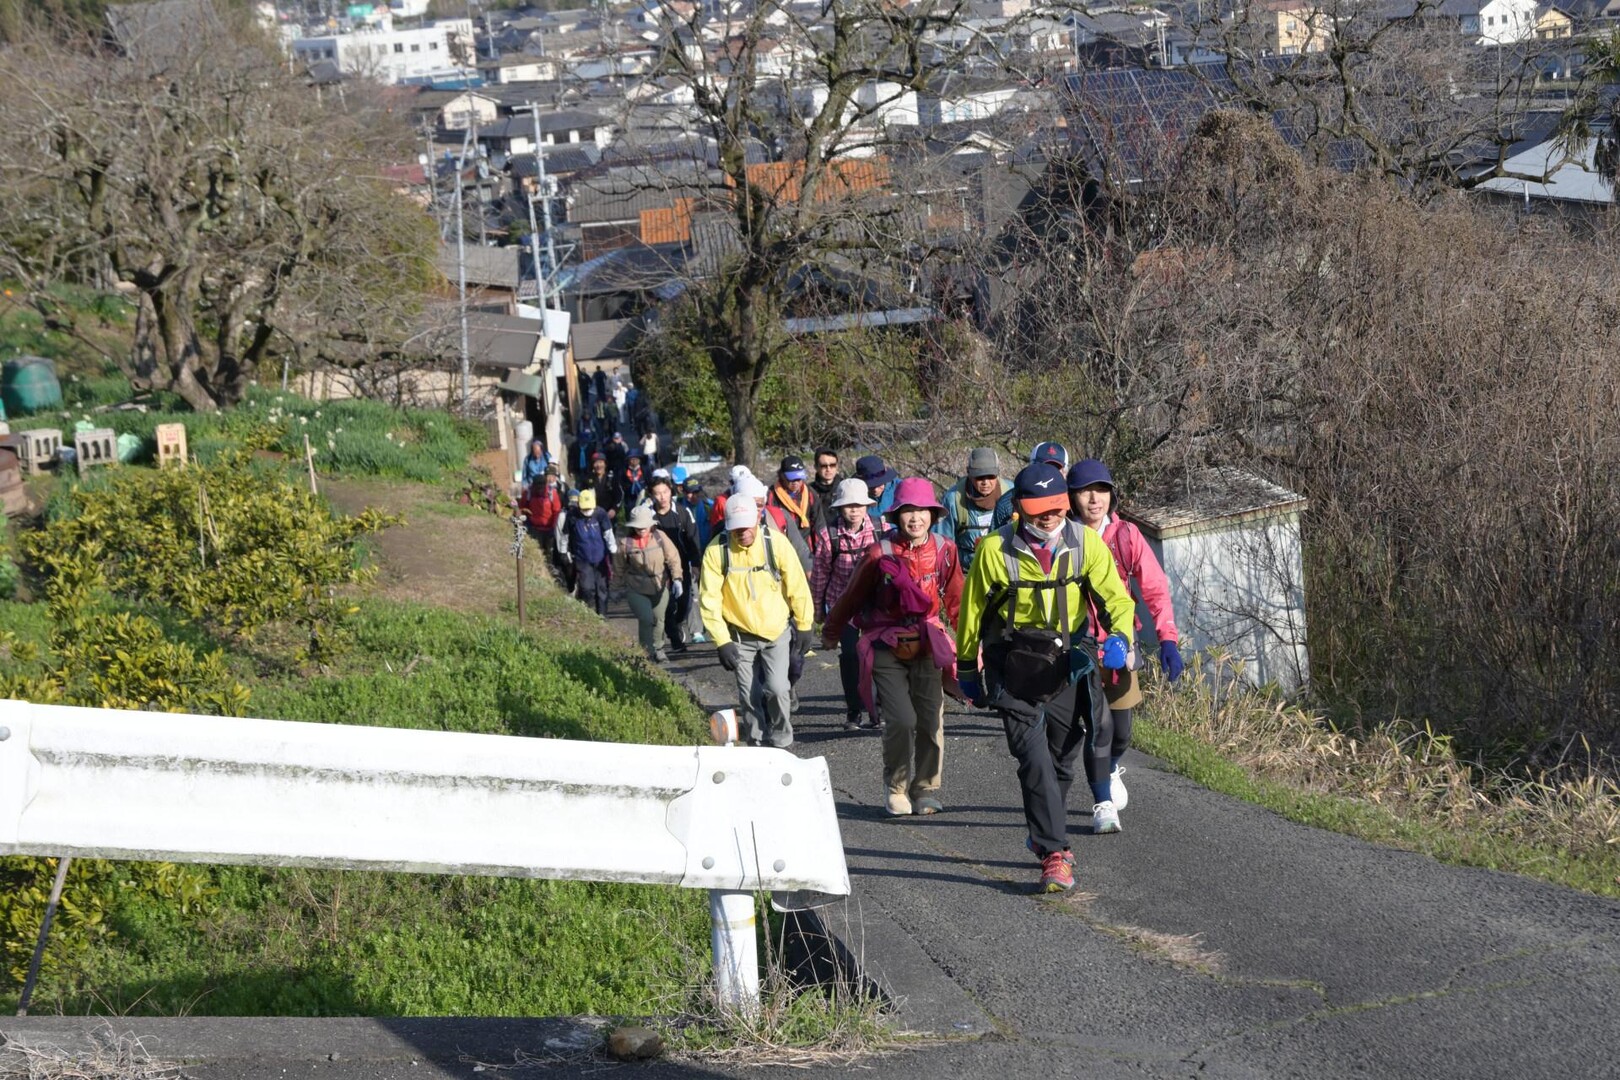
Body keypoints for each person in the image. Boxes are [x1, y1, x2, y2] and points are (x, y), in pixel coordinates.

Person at [954, 462, 1137, 893]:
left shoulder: (1086, 543)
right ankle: (1054, 855)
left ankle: (1042, 831)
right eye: (1038, 509)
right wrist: (966, 668)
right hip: (1012, 663)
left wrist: (1120, 637)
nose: (1048, 516)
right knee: (1032, 759)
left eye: (1055, 507)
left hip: (1067, 661)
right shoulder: (992, 551)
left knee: (1059, 760)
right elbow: (972, 612)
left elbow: (1117, 599)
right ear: (1018, 507)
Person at [823, 478, 963, 817]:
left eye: (921, 511)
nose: (915, 519)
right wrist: (831, 630)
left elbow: (958, 601)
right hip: (886, 643)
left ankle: (926, 787)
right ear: (896, 515)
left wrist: (973, 645)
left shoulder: (945, 549)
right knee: (901, 719)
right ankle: (897, 787)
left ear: (932, 513)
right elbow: (851, 596)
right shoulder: (878, 553)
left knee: (931, 720)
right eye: (907, 512)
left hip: (929, 642)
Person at [1067, 458, 1183, 825]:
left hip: (1118, 644)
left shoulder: (1126, 536)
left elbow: (1154, 588)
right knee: (1093, 727)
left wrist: (1167, 640)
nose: (1094, 499)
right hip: (1075, 645)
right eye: (1085, 491)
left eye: (1101, 491)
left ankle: (1112, 766)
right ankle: (1101, 802)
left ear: (1111, 496)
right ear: (1072, 497)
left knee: (1121, 732)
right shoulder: (1063, 537)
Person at [698, 496, 814, 749]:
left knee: (777, 689)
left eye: (747, 525)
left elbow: (797, 585)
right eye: (736, 527)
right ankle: (757, 742)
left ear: (758, 519)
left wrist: (805, 624)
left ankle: (782, 739)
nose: (742, 532)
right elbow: (709, 600)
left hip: (776, 632)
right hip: (739, 636)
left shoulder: (776, 544)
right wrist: (722, 640)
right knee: (749, 695)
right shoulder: (717, 551)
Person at [811, 478, 879, 730]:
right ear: (839, 507)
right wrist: (818, 610)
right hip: (843, 605)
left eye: (859, 505)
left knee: (878, 656)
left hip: (875, 604)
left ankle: (877, 708)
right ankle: (854, 710)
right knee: (850, 655)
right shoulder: (829, 536)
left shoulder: (880, 529)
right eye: (848, 505)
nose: (854, 510)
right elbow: (820, 574)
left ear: (867, 507)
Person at [621, 503, 685, 663]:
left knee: (659, 619)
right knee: (646, 617)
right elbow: (618, 568)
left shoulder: (660, 537)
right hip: (636, 587)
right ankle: (647, 652)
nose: (641, 529)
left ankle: (658, 649)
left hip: (659, 585)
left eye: (644, 525)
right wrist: (615, 589)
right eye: (638, 526)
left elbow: (673, 557)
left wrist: (677, 578)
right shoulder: (625, 543)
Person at [647, 475, 701, 653]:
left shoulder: (683, 512)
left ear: (671, 491)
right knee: (666, 604)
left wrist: (696, 563)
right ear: (652, 495)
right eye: (657, 493)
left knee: (684, 602)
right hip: (658, 567)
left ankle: (677, 624)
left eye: (665, 492)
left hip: (682, 564)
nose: (662, 497)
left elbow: (693, 537)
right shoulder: (648, 515)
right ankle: (676, 640)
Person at [936, 447, 1009, 573]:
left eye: (991, 476)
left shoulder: (1010, 493)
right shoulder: (954, 499)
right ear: (969, 474)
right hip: (967, 573)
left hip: (1005, 572)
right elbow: (942, 545)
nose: (985, 482)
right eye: (979, 477)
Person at [557, 486, 616, 617]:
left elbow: (608, 532)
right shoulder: (572, 516)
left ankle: (602, 616)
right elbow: (565, 535)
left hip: (600, 558)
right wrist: (563, 551)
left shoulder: (600, 514)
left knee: (602, 588)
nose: (587, 511)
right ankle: (588, 614)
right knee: (587, 588)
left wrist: (613, 549)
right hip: (582, 558)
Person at [993, 442, 1069, 531]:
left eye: (1055, 469)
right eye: (1043, 467)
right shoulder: (1007, 503)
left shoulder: (1073, 499)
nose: (1049, 473)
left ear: (1065, 473)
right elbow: (996, 535)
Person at [768, 455, 819, 542]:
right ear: (782, 476)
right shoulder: (772, 494)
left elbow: (819, 522)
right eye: (791, 479)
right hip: (783, 542)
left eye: (799, 479)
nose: (796, 483)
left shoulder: (810, 493)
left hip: (806, 545)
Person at [522, 465, 564, 553]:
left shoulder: (552, 493)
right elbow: (522, 508)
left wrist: (554, 527)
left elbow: (557, 511)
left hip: (549, 530)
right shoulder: (528, 493)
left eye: (542, 485)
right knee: (536, 553)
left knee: (549, 553)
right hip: (534, 529)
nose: (539, 488)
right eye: (537, 485)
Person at [854, 455, 898, 527]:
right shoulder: (855, 496)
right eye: (870, 486)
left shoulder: (900, 488)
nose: (875, 490)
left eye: (879, 484)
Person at [808, 448, 844, 531]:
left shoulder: (845, 487)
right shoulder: (809, 491)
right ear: (816, 467)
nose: (828, 469)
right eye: (824, 465)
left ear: (837, 466)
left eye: (832, 465)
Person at [585, 452, 621, 522]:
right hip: (593, 514)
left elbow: (619, 495)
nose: (598, 465)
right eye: (595, 463)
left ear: (605, 464)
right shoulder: (588, 479)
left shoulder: (612, 478)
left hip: (609, 514)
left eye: (601, 462)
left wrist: (614, 509)